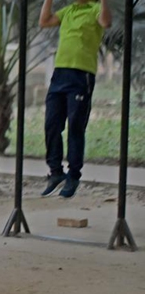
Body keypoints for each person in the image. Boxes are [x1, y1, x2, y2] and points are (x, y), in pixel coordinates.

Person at [39, 0, 112, 198]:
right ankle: (55, 172)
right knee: (52, 124)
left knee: (75, 126)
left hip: (81, 76)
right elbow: (44, 21)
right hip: (60, 74)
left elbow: (105, 22)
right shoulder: (68, 11)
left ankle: (73, 175)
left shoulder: (95, 9)